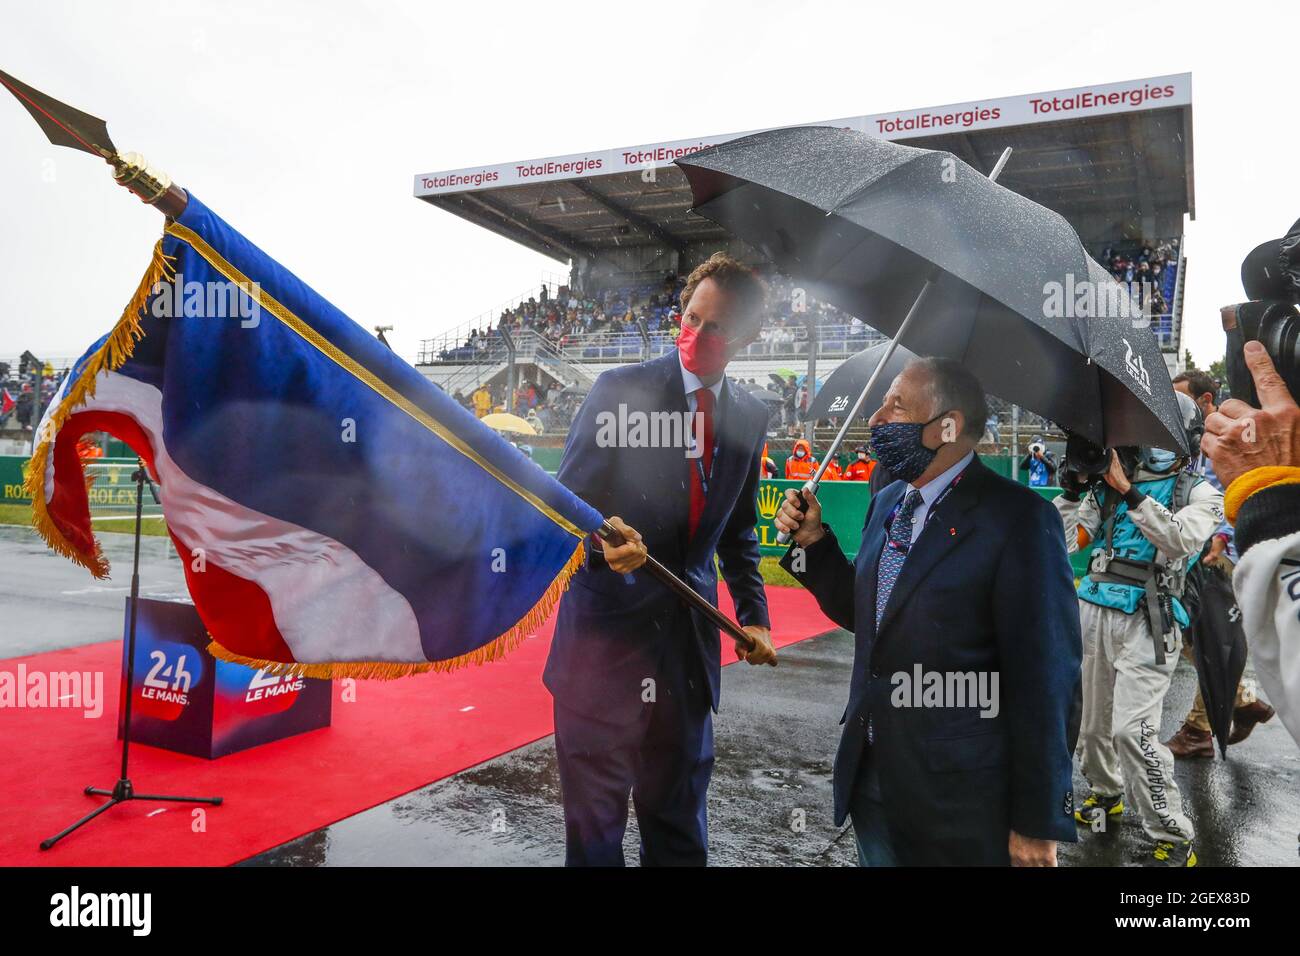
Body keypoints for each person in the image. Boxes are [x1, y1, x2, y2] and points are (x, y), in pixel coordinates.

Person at [774, 357, 1081, 866]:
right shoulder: (888, 500)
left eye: (896, 405)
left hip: (961, 800)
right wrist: (812, 544)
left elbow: (1047, 677)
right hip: (871, 780)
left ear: (947, 427)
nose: (875, 420)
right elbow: (871, 616)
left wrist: (1037, 819)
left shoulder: (1021, 520)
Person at [544, 253, 778, 866]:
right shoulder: (619, 390)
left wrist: (756, 615)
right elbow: (565, 511)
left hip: (688, 662)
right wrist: (604, 543)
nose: (696, 336)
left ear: (749, 337)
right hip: (602, 654)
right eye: (691, 317)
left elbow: (739, 531)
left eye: (717, 328)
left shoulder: (751, 416)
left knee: (679, 833)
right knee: (594, 840)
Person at [1055, 392, 1222, 867]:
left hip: (1151, 617)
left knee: (1133, 731)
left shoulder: (1198, 492)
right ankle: (1106, 797)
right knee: (1091, 725)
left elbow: (1178, 539)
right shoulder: (1105, 489)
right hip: (1093, 610)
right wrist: (1073, 489)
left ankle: (1173, 833)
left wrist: (1128, 491)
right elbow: (1067, 542)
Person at [1164, 369, 1274, 758]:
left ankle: (1198, 730)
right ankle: (1242, 699)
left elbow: (1238, 488)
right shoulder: (1190, 438)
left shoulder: (1229, 436)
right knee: (1195, 636)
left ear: (1207, 401)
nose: (1174, 407)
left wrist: (1221, 538)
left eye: (1183, 399)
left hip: (1219, 554)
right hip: (1196, 550)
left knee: (1205, 636)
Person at [1201, 341, 1300, 749]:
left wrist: (1273, 493)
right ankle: (1239, 703)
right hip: (1239, 550)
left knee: (1220, 641)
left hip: (1252, 553)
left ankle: (1212, 718)